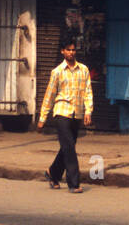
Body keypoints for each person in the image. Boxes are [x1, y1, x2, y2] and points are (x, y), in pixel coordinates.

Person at [38, 39, 93, 193]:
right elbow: (49, 95)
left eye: (73, 50)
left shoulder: (84, 70)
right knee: (69, 147)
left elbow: (88, 91)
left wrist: (88, 110)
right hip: (61, 111)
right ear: (62, 51)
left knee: (68, 147)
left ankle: (52, 173)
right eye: (68, 50)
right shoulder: (57, 72)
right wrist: (42, 118)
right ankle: (73, 183)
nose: (71, 52)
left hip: (77, 113)